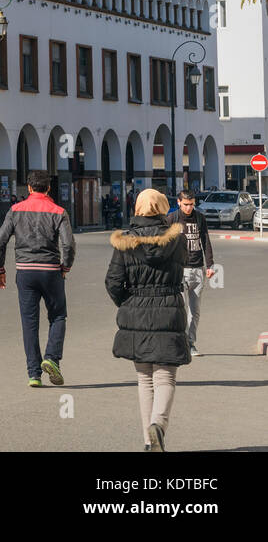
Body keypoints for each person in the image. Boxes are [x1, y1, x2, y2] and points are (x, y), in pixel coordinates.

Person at [106, 189, 190, 452]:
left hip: (136, 310)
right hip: (169, 307)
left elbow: (113, 282)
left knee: (144, 378)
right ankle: (159, 426)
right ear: (164, 207)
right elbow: (184, 266)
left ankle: (147, 440)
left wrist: (129, 304)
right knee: (165, 376)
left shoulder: (124, 241)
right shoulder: (177, 239)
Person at [0, 169, 75, 387]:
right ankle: (52, 358)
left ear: (28, 188)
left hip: (25, 272)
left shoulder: (15, 210)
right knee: (58, 316)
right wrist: (65, 266)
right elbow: (68, 244)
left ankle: (34, 374)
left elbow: (0, 241)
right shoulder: (58, 211)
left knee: (29, 322)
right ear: (48, 188)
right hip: (50, 271)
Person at [165, 189, 215, 357]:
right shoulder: (172, 219)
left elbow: (205, 241)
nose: (189, 208)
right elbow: (163, 242)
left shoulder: (200, 218)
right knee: (180, 309)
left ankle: (190, 343)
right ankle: (179, 342)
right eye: (186, 204)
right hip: (178, 270)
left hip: (198, 269)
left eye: (192, 204)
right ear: (179, 203)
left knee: (195, 311)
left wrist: (210, 265)